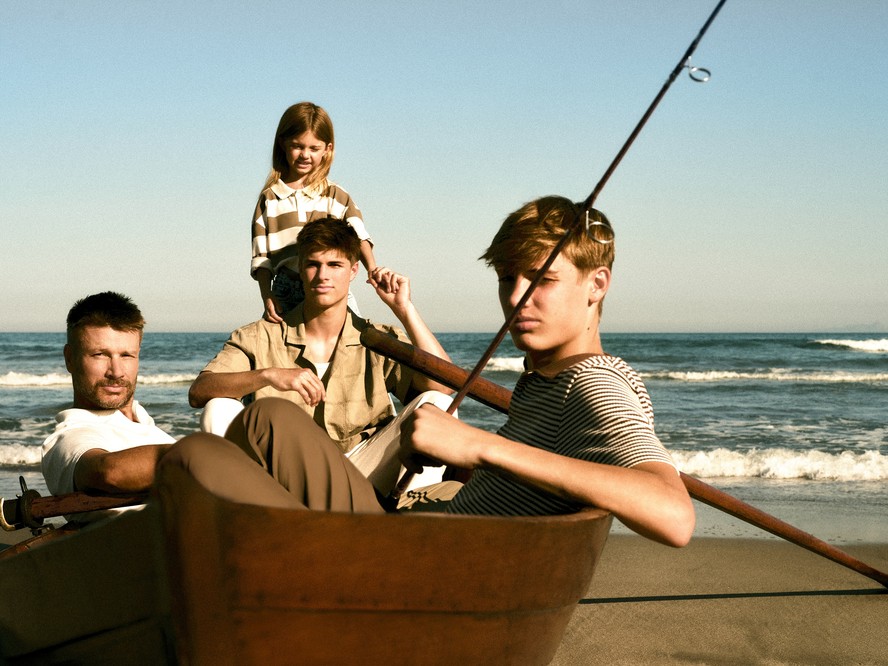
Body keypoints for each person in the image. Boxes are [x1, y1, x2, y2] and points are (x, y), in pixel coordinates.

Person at [167, 197, 694, 547]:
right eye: (508, 278)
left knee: (228, 442)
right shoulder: (546, 378)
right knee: (234, 440)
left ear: (596, 285)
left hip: (417, 558)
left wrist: (479, 447)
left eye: (542, 278)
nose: (516, 297)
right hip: (419, 529)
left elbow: (675, 516)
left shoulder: (594, 382)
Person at [189, 218, 453, 494]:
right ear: (301, 269)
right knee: (218, 407)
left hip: (361, 474)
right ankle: (249, 517)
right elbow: (200, 391)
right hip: (278, 480)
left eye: (334, 265)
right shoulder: (259, 336)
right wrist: (269, 375)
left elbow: (443, 386)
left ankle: (413, 519)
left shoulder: (378, 338)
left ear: (353, 271)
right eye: (313, 264)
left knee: (438, 404)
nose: (322, 275)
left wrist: (404, 309)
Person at [251, 101, 392, 321]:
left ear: (327, 149)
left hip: (331, 287)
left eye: (314, 148)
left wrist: (372, 269)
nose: (305, 155)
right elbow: (262, 257)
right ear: (282, 144)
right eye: (297, 146)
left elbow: (360, 235)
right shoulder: (270, 198)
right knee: (274, 350)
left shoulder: (335, 195)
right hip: (285, 292)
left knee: (357, 341)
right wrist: (266, 295)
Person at [41, 292, 174, 520]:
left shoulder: (144, 424)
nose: (116, 371)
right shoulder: (71, 435)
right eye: (100, 354)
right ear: (70, 359)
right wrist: (214, 454)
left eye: (126, 355)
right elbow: (109, 472)